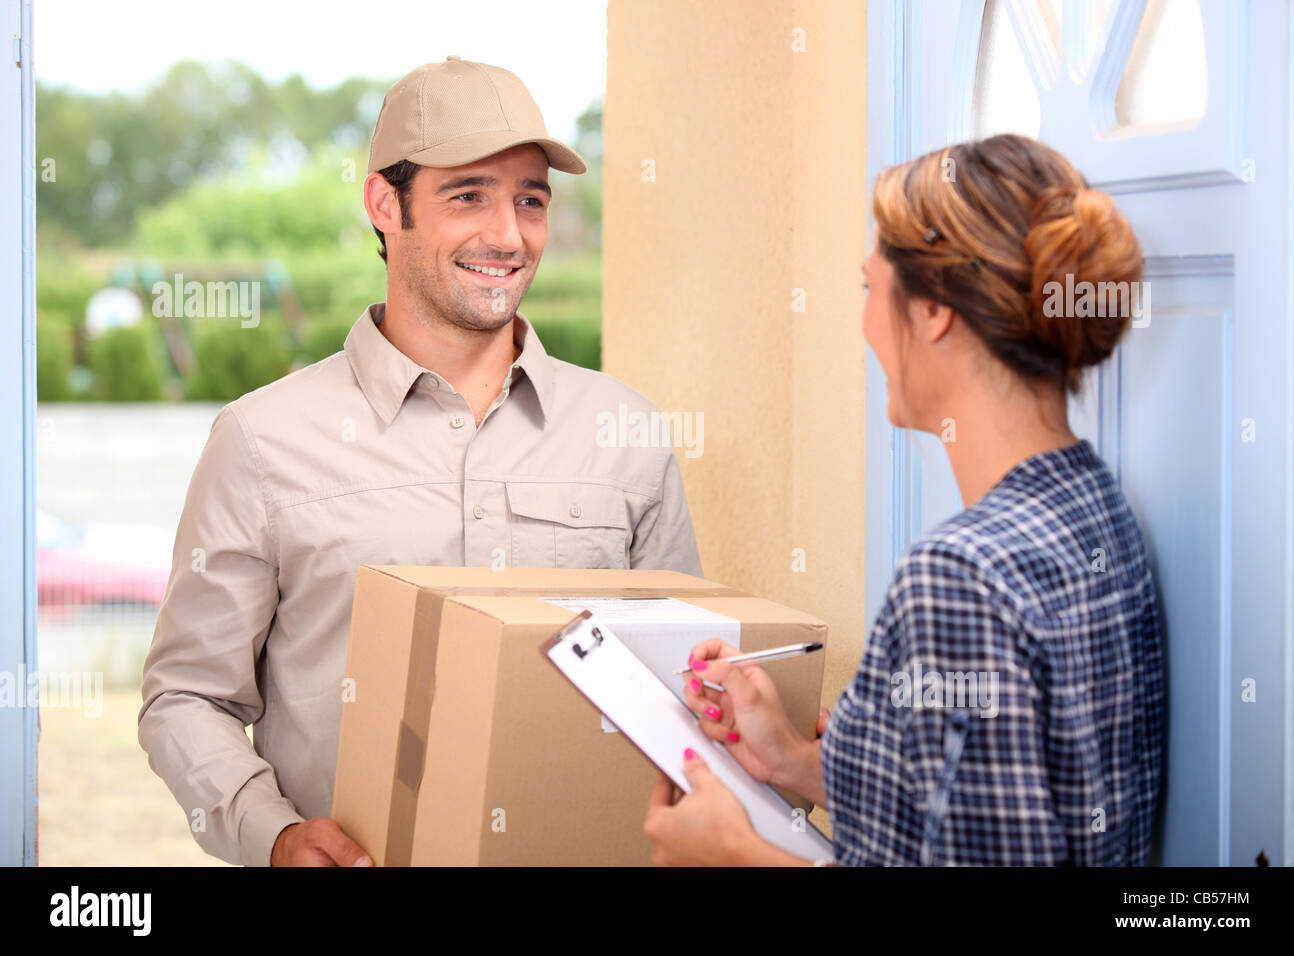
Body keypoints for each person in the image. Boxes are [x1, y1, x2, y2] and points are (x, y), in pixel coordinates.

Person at [139, 57, 703, 868]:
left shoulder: (628, 432)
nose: (507, 235)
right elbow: (187, 695)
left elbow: (678, 687)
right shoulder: (261, 441)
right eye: (468, 195)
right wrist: (276, 834)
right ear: (383, 202)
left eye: (530, 200)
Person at [644, 134, 1163, 866]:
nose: (864, 322)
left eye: (869, 287)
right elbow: (978, 807)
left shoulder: (959, 579)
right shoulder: (1093, 508)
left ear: (934, 310)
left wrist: (735, 855)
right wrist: (788, 758)